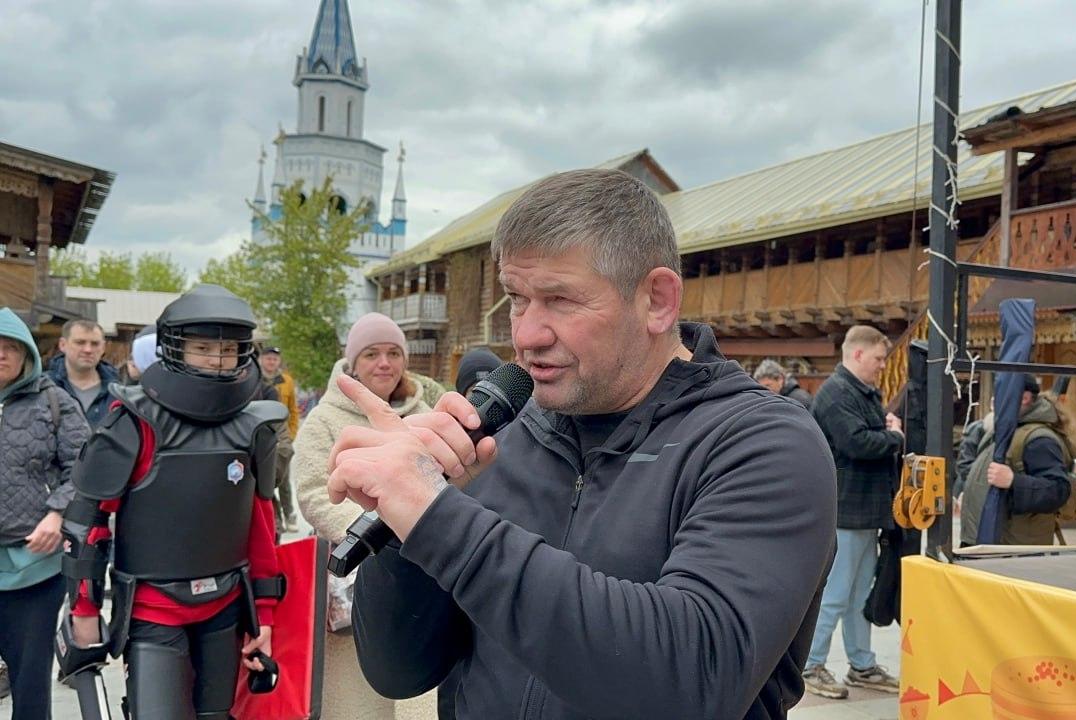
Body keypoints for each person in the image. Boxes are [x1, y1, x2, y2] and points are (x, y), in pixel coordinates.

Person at [326, 169, 835, 720]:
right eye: (517, 299)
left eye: (560, 300)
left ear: (657, 301)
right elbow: (397, 670)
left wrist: (439, 519)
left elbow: (693, 682)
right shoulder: (498, 438)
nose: (526, 334)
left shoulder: (764, 443)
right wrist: (404, 535)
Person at [58, 284, 287, 719]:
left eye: (228, 348)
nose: (217, 359)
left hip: (225, 606)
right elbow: (86, 524)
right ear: (174, 348)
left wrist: (265, 614)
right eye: (203, 347)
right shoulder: (132, 420)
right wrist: (84, 612)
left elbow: (259, 522)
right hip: (153, 609)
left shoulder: (257, 425)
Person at [291, 312, 444, 720]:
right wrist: (373, 534)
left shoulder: (424, 413)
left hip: (422, 569)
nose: (384, 363)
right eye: (372, 353)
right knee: (356, 702)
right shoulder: (325, 420)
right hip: (354, 579)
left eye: (394, 353)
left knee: (418, 693)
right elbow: (312, 491)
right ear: (353, 363)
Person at [0, 307, 91, 718]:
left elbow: (87, 469)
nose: (1, 355)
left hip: (34, 568)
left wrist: (57, 514)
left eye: (10, 348)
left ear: (26, 356)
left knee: (30, 682)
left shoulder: (54, 402)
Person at [802, 325, 902, 699]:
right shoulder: (836, 393)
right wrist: (895, 436)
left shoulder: (860, 392)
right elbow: (858, 442)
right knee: (836, 593)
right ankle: (811, 665)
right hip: (845, 512)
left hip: (864, 511)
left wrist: (887, 431)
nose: (881, 366)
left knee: (860, 594)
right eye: (878, 359)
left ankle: (861, 664)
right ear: (857, 354)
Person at [960, 375, 1075, 547]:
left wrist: (1014, 481)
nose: (995, 402)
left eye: (1001, 395)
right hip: (986, 542)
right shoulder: (1006, 428)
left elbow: (1058, 490)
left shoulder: (1039, 439)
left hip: (1010, 549)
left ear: (1024, 398)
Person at [46, 319, 118, 428]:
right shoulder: (43, 387)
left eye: (95, 344)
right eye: (80, 342)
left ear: (103, 348)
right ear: (62, 345)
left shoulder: (117, 392)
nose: (88, 350)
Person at [260, 346, 301, 532]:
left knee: (284, 480)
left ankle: (289, 514)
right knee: (267, 478)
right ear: (262, 360)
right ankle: (275, 519)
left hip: (282, 434)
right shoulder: (255, 380)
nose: (271, 362)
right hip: (263, 432)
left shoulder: (286, 381)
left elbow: (293, 409)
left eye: (275, 359)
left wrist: (291, 434)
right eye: (268, 358)